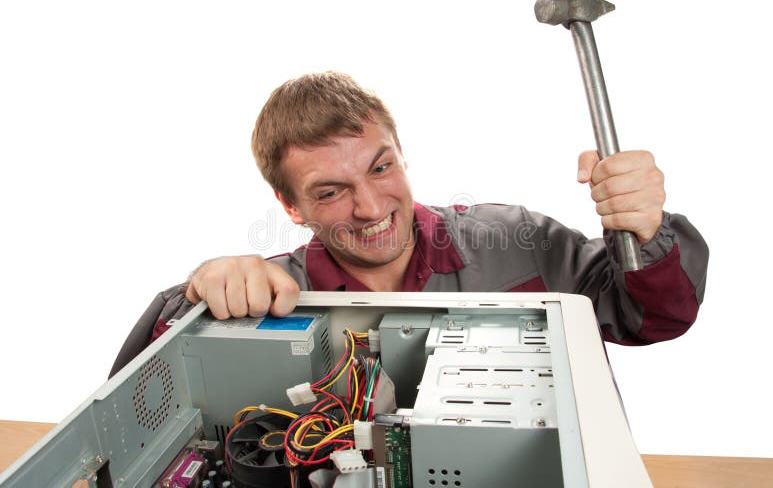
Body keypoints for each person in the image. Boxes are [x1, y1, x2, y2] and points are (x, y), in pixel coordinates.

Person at [110, 72, 708, 376]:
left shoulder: (519, 241)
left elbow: (653, 318)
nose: (370, 207)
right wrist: (196, 293)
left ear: (401, 151)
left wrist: (643, 230)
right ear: (291, 207)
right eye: (331, 191)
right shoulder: (265, 293)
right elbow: (144, 401)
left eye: (380, 167)